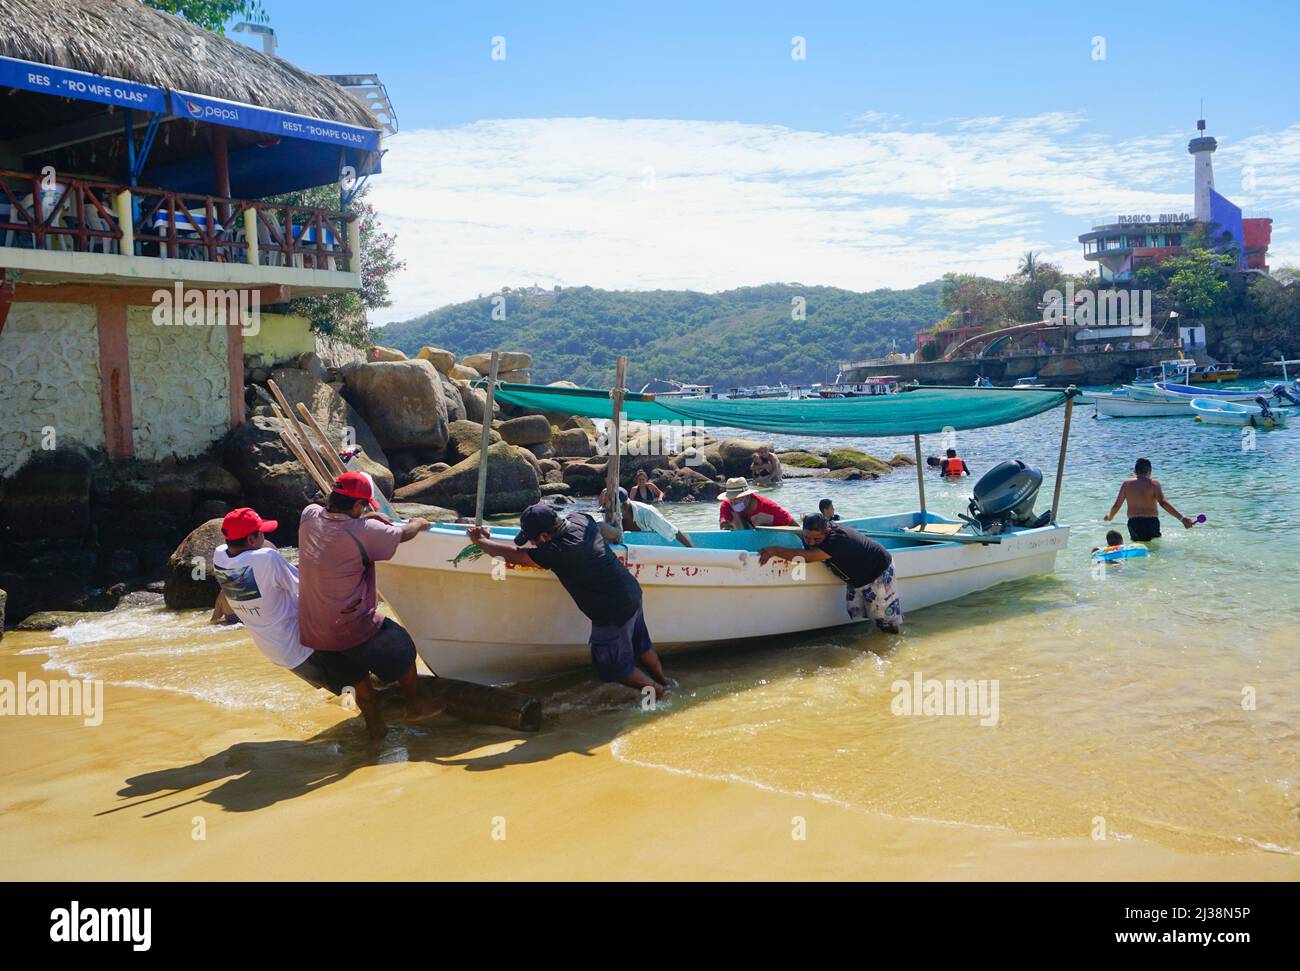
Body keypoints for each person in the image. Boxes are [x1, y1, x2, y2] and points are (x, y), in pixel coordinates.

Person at [212, 506, 396, 737]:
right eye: (261, 534)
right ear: (251, 539)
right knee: (360, 682)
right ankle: (377, 738)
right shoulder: (266, 558)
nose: (265, 538)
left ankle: (361, 719)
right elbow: (308, 587)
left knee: (352, 680)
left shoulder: (219, 554)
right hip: (301, 644)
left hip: (275, 649)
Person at [467, 503, 670, 699]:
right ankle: (666, 683)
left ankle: (657, 691)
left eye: (533, 540)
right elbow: (604, 529)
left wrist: (480, 541)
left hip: (612, 612)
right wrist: (615, 535)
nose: (532, 544)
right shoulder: (580, 519)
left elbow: (515, 556)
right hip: (631, 592)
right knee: (641, 646)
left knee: (614, 668)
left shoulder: (558, 550)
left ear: (545, 536)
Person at [298, 471, 442, 738]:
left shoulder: (309, 515)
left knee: (354, 675)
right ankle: (415, 705)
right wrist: (420, 523)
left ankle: (375, 726)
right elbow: (402, 533)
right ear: (356, 506)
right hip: (349, 625)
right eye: (363, 506)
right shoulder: (365, 531)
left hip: (313, 630)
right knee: (402, 645)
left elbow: (343, 528)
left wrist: (365, 519)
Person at [758, 513, 902, 634]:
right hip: (857, 577)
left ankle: (892, 647)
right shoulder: (820, 531)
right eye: (807, 538)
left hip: (878, 572)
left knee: (885, 621)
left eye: (817, 539)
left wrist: (774, 551)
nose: (811, 542)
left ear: (827, 531)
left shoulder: (838, 540)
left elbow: (806, 558)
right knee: (858, 613)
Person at [1104, 457, 1197, 541]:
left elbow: (1117, 505)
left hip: (1134, 523)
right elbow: (1163, 503)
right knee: (1155, 547)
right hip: (1152, 522)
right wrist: (1181, 518)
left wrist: (1110, 516)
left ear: (1134, 471)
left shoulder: (1126, 484)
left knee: (1139, 547)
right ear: (1150, 471)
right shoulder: (1154, 484)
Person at [611, 487, 693, 546]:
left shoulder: (648, 513)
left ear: (625, 506)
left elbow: (673, 531)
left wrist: (692, 552)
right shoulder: (610, 514)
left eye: (613, 511)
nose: (610, 513)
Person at [718, 477, 796, 530]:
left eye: (737, 498)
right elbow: (723, 523)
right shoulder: (726, 505)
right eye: (731, 499)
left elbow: (794, 527)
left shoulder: (768, 506)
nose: (733, 502)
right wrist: (725, 526)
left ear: (747, 495)